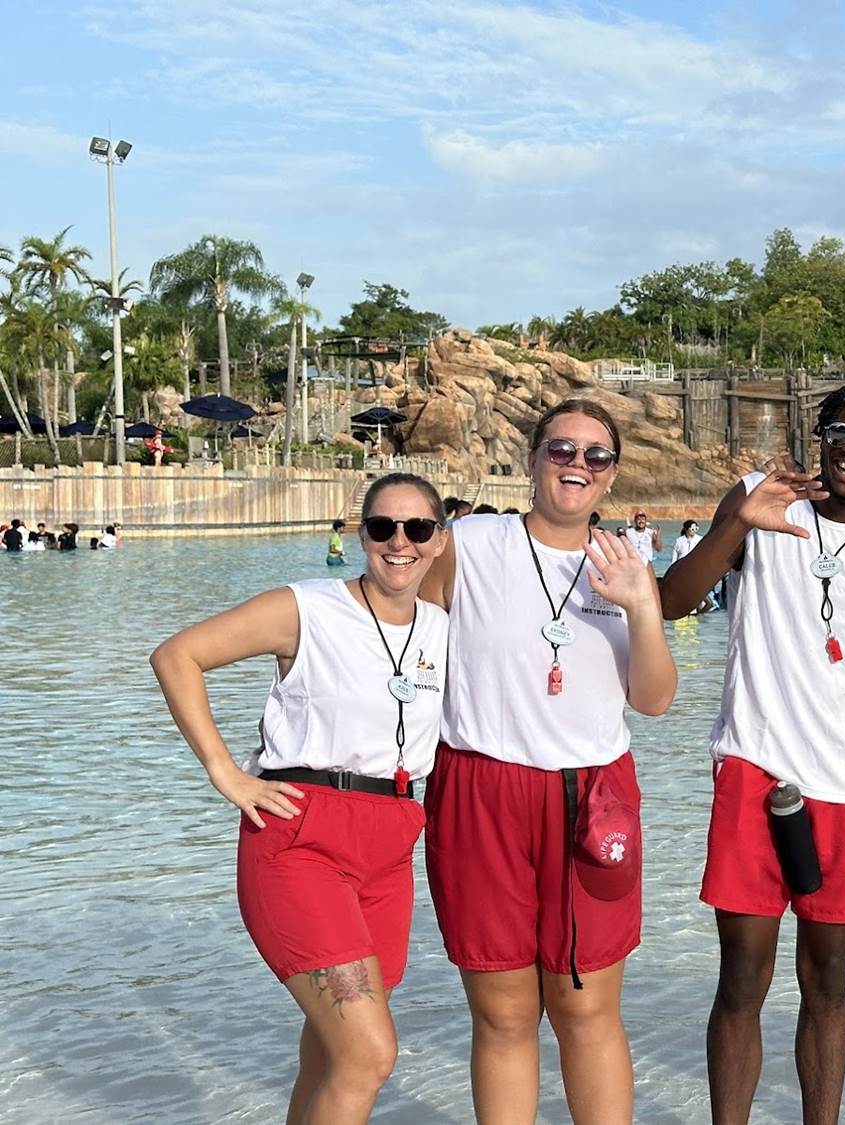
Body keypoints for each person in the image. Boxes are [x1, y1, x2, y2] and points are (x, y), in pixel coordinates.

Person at [150, 472, 451, 1124]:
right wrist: (225, 771)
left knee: (331, 1053)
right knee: (369, 1051)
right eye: (382, 527)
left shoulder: (441, 630)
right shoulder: (307, 607)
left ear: (438, 541)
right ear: (361, 533)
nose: (399, 542)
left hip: (391, 847)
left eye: (417, 528)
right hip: (300, 839)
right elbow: (178, 655)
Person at [659, 383, 845, 1125]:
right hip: (754, 762)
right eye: (840, 428)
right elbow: (675, 601)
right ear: (817, 434)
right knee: (742, 978)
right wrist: (740, 520)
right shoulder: (756, 499)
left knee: (828, 981)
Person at [418, 399, 676, 1125]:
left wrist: (641, 605)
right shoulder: (470, 541)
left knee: (585, 1005)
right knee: (502, 1013)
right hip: (479, 785)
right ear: (532, 457)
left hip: (592, 789)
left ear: (612, 475)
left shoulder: (626, 561)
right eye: (561, 448)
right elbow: (405, 632)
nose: (577, 464)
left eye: (596, 456)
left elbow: (654, 699)